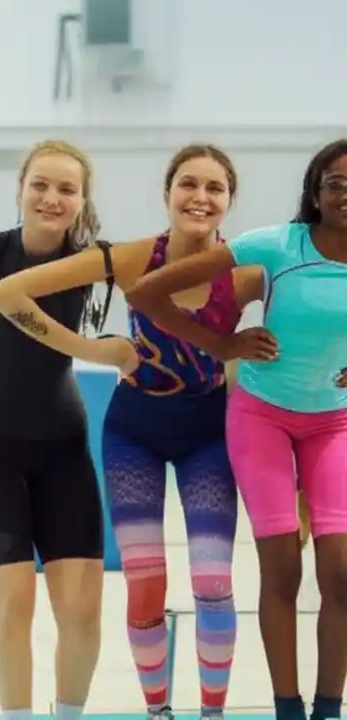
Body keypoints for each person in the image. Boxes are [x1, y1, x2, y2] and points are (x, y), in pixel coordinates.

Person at [0, 144, 264, 719]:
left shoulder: (245, 274)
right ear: (167, 194)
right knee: (144, 585)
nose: (200, 197)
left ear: (229, 203)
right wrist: (94, 349)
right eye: (188, 184)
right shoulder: (134, 259)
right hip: (133, 434)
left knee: (214, 582)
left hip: (208, 436)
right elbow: (7, 294)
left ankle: (212, 712)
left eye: (215, 189)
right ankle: (157, 712)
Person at [127, 139, 347, 720]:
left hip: (335, 423)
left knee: (341, 573)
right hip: (263, 417)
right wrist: (222, 344)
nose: (346, 195)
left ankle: (329, 707)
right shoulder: (277, 245)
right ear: (316, 191)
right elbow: (148, 292)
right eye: (336, 183)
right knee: (282, 568)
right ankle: (286, 708)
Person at [0, 140, 135, 720]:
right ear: (20, 189)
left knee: (81, 609)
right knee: (13, 605)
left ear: (82, 201)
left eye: (66, 189)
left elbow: (170, 294)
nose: (52, 198)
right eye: (41, 185)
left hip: (63, 451)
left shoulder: (95, 262)